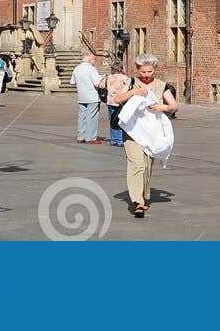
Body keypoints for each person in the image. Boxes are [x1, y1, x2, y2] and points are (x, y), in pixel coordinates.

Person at [117, 54, 178, 217]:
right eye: (143, 72)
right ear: (138, 70)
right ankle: (138, 201)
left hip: (151, 132)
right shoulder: (131, 83)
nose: (146, 75)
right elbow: (117, 98)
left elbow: (174, 106)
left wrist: (162, 107)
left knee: (147, 166)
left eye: (149, 71)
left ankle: (144, 195)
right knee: (137, 164)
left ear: (154, 69)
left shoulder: (161, 86)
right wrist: (134, 92)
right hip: (132, 131)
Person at [71, 51, 105, 143]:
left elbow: (72, 82)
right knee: (92, 117)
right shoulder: (91, 69)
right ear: (90, 60)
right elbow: (97, 84)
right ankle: (91, 137)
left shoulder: (77, 68)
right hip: (92, 96)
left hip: (81, 96)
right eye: (94, 59)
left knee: (82, 117)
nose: (95, 61)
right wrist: (103, 79)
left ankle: (81, 136)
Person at [105, 62, 135, 147]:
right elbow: (131, 85)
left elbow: (101, 85)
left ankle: (114, 139)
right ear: (121, 68)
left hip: (110, 101)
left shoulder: (109, 77)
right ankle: (120, 140)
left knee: (112, 120)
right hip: (120, 102)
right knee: (121, 121)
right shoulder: (124, 78)